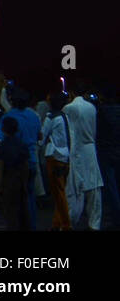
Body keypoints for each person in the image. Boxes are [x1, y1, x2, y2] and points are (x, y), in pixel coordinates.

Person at [0, 76, 41, 230]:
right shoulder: (34, 116)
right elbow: (38, 136)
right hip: (32, 160)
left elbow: (0, 140)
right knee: (29, 198)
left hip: (15, 166)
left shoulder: (8, 117)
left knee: (14, 203)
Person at [63, 85, 102, 230]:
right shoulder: (92, 108)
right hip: (90, 149)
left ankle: (72, 221)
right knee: (94, 189)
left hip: (76, 150)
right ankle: (94, 223)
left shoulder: (68, 108)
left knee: (75, 189)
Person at [0, 116, 31, 231]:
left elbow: (1, 166)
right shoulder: (22, 144)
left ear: (4, 129)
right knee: (22, 210)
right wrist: (25, 182)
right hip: (20, 178)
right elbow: (26, 165)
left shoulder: (3, 145)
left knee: (10, 212)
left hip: (8, 180)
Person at [42, 92, 71, 230]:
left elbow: (41, 139)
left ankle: (65, 224)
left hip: (54, 156)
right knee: (61, 192)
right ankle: (57, 222)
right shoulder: (65, 116)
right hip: (65, 156)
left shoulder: (50, 117)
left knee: (58, 195)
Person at [96, 84, 120, 230]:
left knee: (110, 186)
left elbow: (98, 131)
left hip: (106, 151)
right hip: (117, 149)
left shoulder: (101, 111)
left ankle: (116, 216)